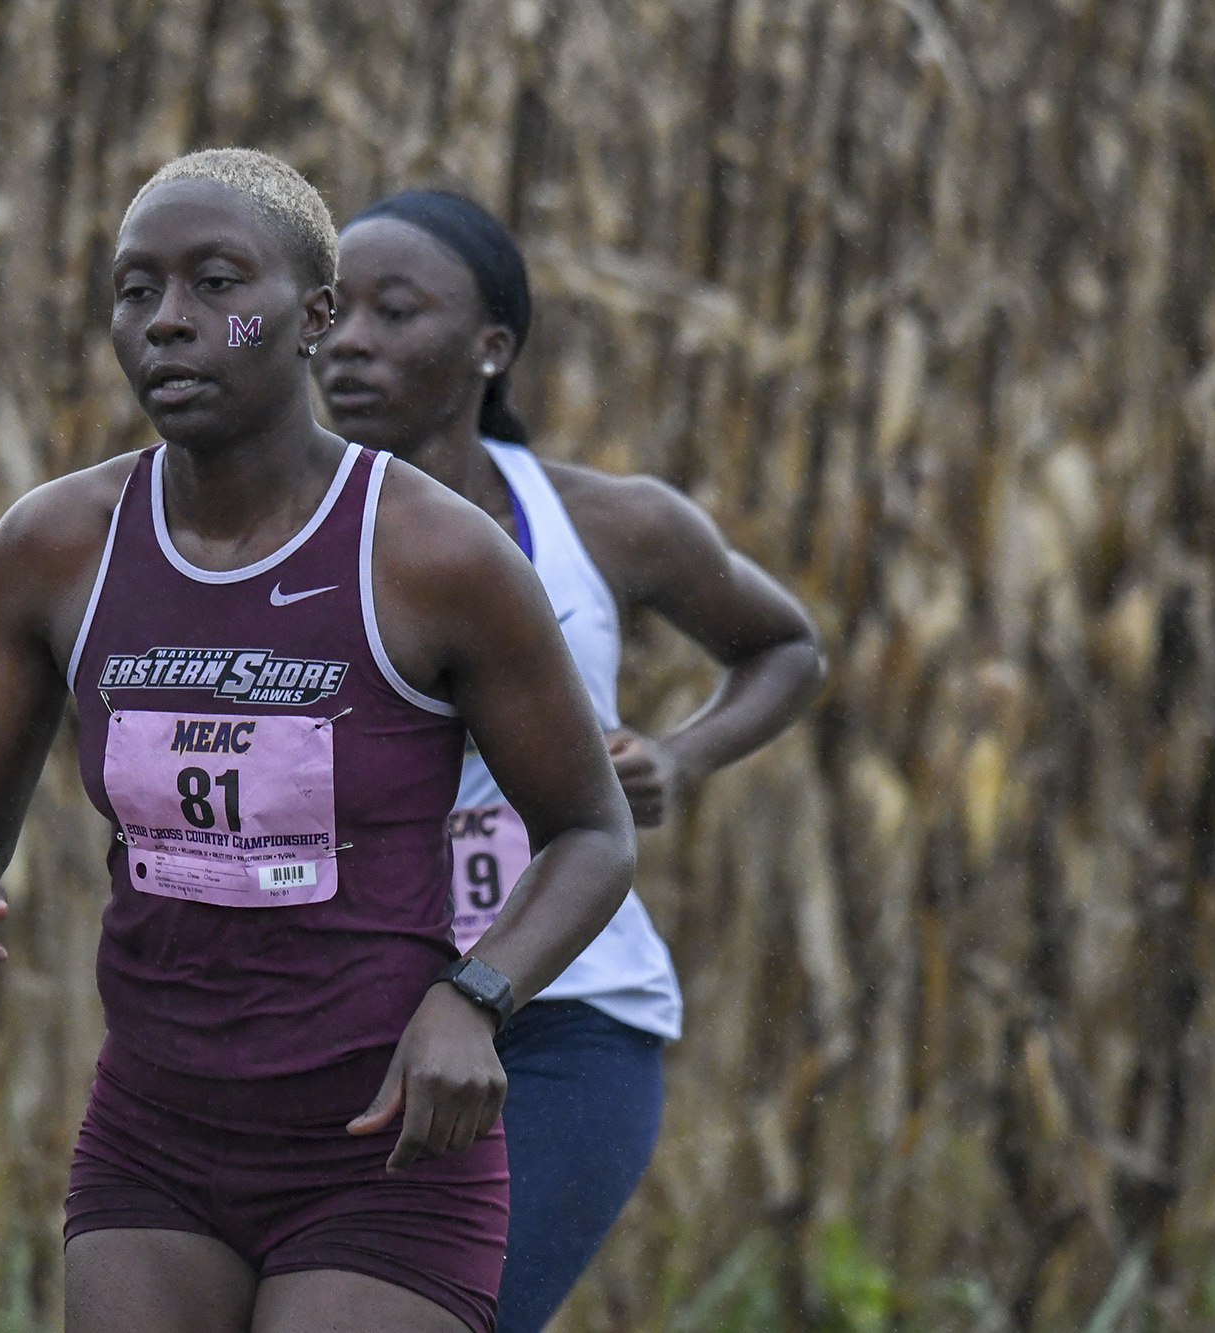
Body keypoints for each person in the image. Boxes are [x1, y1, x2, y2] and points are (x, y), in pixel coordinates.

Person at [0, 150, 639, 1333]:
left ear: (313, 315)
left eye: (216, 284)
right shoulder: (54, 546)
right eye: (136, 290)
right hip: (154, 1137)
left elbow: (591, 833)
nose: (167, 321)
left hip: (380, 1142)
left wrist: (477, 996)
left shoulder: (432, 556)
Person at [314, 190, 826, 1333]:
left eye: (394, 312)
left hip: (560, 1012)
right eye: (331, 312)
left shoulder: (606, 523)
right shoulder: (257, 532)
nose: (349, 341)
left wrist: (680, 759)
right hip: (330, 1011)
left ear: (490, 347)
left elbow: (784, 648)